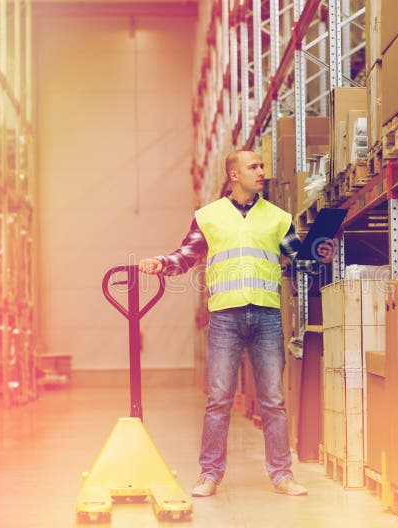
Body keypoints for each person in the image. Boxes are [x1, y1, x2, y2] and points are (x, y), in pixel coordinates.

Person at [138, 149, 336, 498]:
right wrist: (161, 263)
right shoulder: (208, 216)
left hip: (265, 316)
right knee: (218, 399)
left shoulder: (277, 217)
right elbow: (187, 255)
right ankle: (209, 474)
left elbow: (301, 263)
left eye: (262, 166)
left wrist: (323, 242)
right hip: (225, 317)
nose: (262, 172)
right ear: (234, 175)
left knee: (273, 400)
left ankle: (282, 475)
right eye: (254, 167)